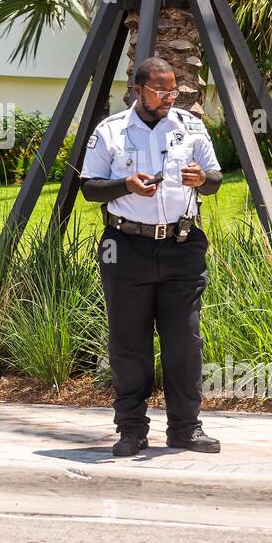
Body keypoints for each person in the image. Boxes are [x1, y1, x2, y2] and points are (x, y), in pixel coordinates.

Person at [80, 57, 223, 457]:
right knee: (129, 344)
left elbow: (214, 179)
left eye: (173, 91)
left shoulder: (190, 127)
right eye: (160, 91)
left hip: (182, 246)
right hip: (126, 249)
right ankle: (131, 430)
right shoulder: (110, 132)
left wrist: (203, 179)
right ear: (137, 89)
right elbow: (89, 188)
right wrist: (125, 185)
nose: (168, 98)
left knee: (184, 342)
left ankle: (185, 430)